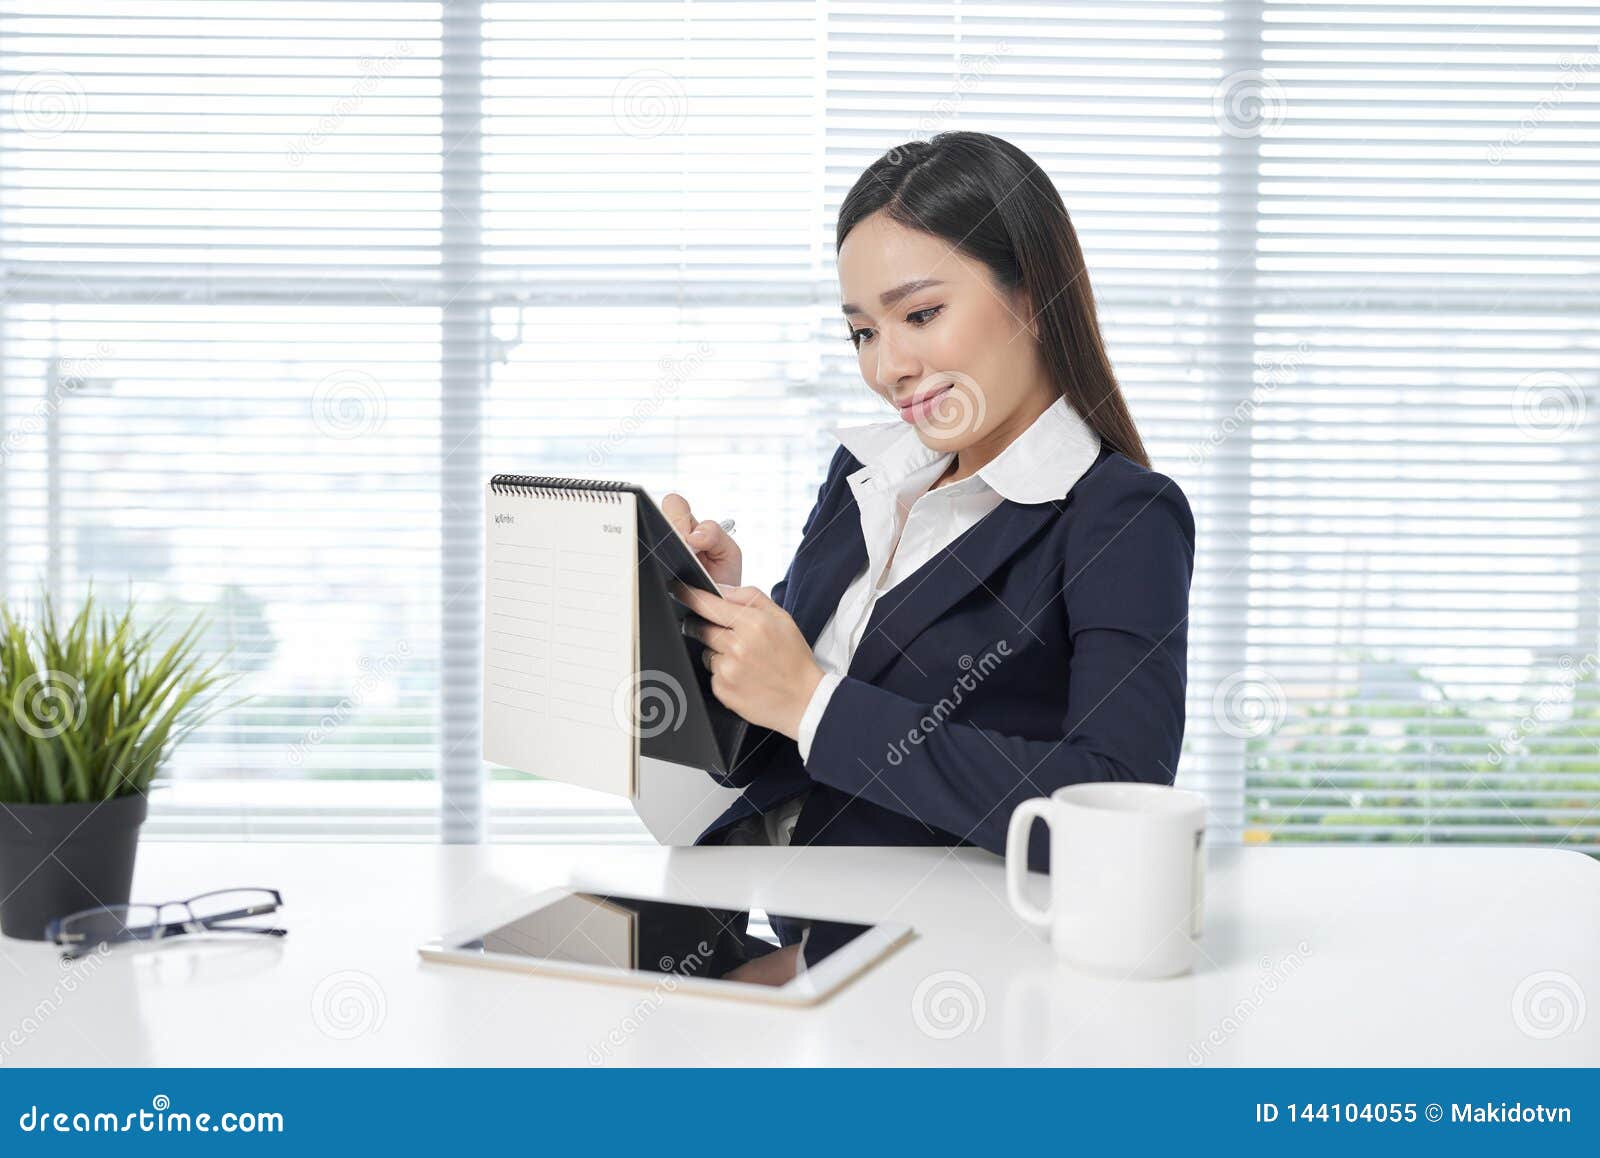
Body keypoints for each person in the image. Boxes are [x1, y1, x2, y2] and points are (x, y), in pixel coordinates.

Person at [663, 131, 1196, 984]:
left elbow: (1115, 802)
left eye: (920, 315)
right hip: (785, 947)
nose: (889, 366)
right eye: (862, 333)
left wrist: (814, 702)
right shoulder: (866, 477)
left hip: (953, 983)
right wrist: (715, 616)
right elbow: (784, 733)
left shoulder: (1119, 516)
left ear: (1033, 293)